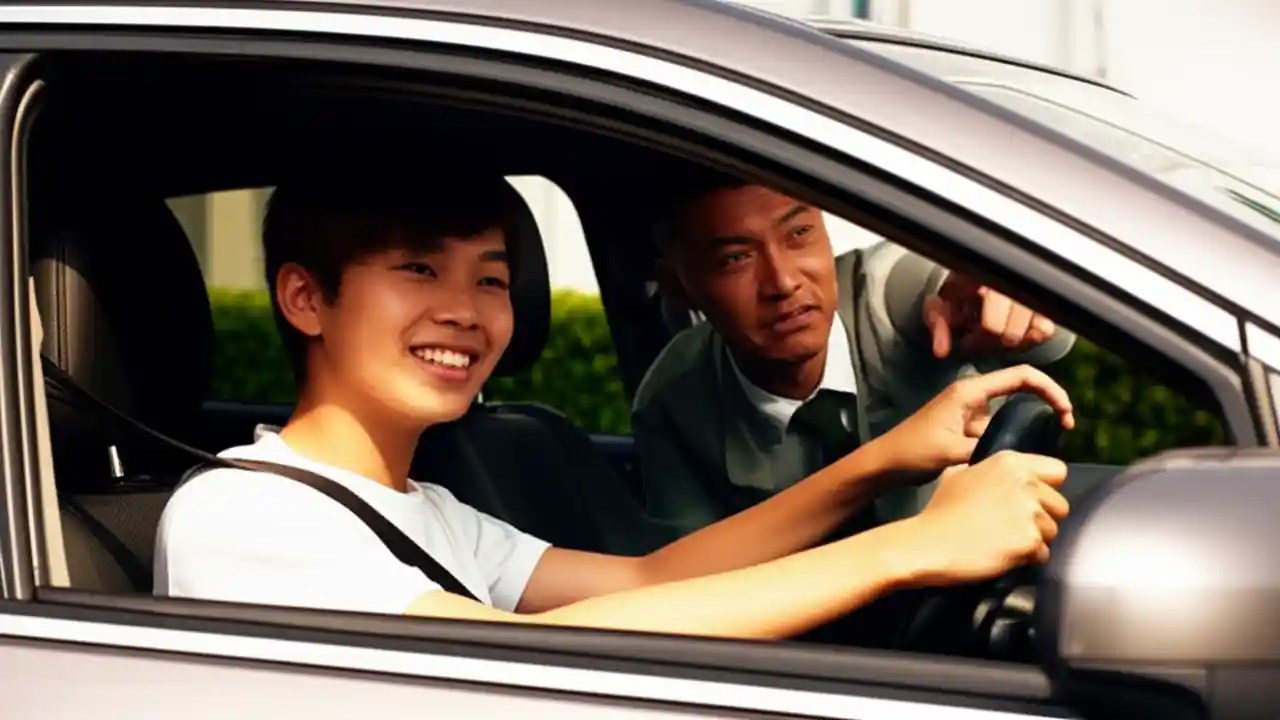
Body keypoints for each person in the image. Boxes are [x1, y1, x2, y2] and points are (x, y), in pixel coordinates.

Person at [154, 174, 1073, 641]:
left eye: (492, 279)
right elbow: (523, 655)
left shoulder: (431, 513)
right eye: (419, 271)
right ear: (306, 299)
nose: (465, 313)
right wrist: (911, 548)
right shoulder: (242, 514)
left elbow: (645, 583)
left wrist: (889, 458)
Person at [632, 177, 1078, 542]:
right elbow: (688, 586)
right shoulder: (674, 399)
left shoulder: (891, 299)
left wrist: (1013, 296)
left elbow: (1039, 330)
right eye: (736, 259)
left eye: (799, 234)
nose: (783, 282)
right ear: (678, 286)